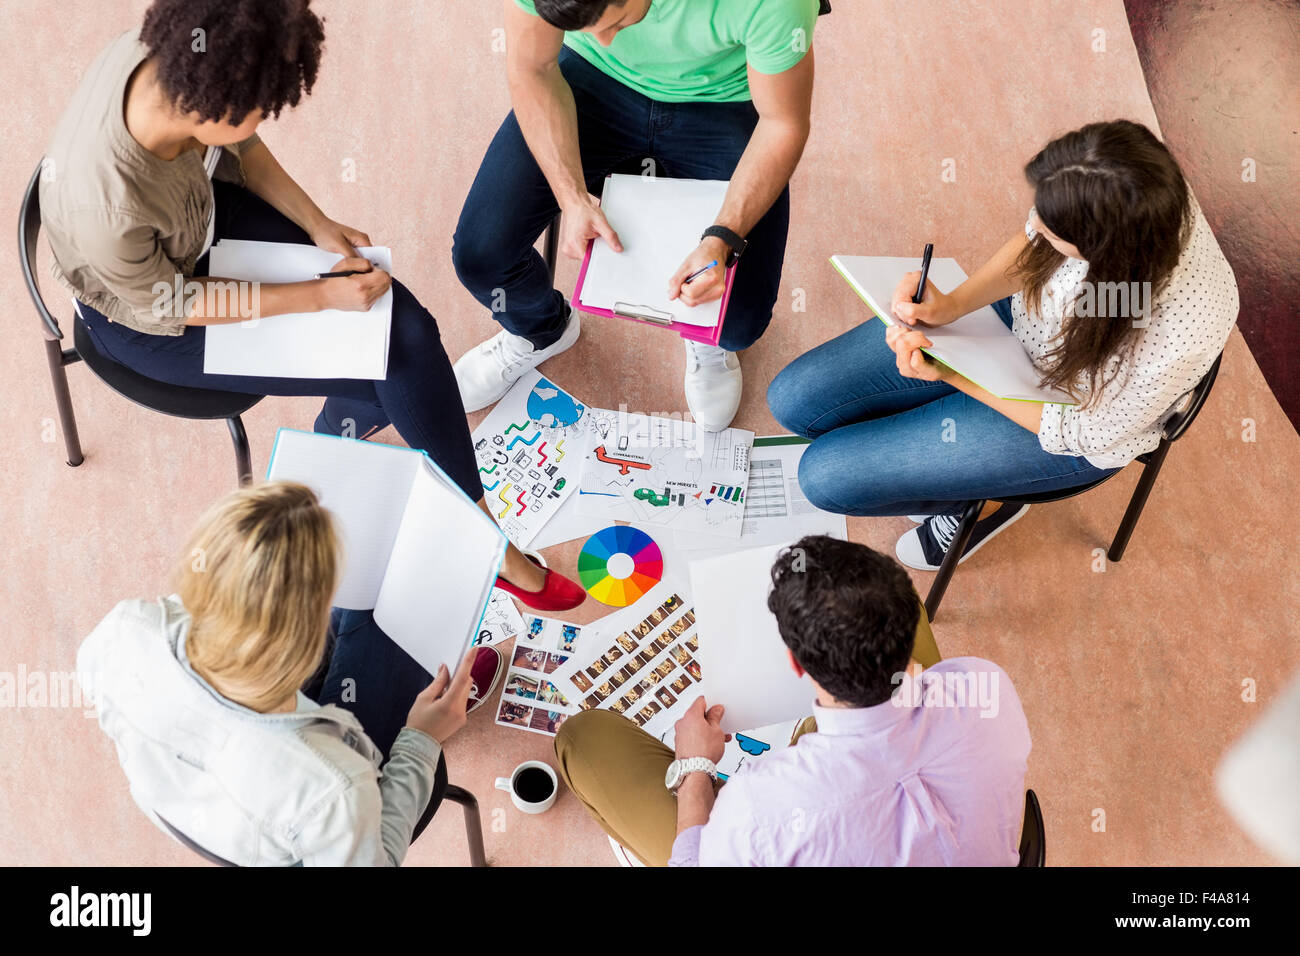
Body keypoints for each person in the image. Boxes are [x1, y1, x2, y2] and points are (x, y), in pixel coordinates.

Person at [40, 0, 581, 610]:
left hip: (196, 223)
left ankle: (343, 437)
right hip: (151, 319)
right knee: (398, 350)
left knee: (399, 328)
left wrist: (318, 224)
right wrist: (318, 296)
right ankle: (490, 541)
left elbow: (239, 151)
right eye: (256, 112)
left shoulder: (172, 66)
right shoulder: (107, 211)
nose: (260, 122)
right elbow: (176, 301)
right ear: (216, 108)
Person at [767, 120, 1239, 571]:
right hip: (1030, 321)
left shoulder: (1175, 336)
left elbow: (1085, 433)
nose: (1034, 223)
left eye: (1056, 231)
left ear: (1105, 255)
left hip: (1068, 417)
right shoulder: (1130, 184)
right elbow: (1035, 241)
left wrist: (953, 375)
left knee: (824, 479)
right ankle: (933, 457)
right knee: (794, 400)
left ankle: (983, 504)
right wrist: (952, 304)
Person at [77, 481, 503, 866]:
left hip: (190, 807)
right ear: (303, 636)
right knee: (372, 626)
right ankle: (436, 711)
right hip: (309, 822)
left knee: (365, 622)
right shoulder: (333, 785)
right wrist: (421, 741)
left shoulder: (125, 629)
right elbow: (380, 859)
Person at [451, 0, 819, 432]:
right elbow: (534, 68)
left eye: (620, 22)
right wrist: (571, 196)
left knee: (736, 323)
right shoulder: (591, 37)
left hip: (722, 98)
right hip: (592, 79)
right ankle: (542, 331)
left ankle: (705, 339)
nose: (606, 39)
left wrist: (722, 236)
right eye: (586, 27)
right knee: (481, 255)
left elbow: (783, 124)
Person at [554, 536, 1031, 866]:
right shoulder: (984, 684)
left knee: (584, 737)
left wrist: (695, 769)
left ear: (797, 667)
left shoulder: (761, 809)